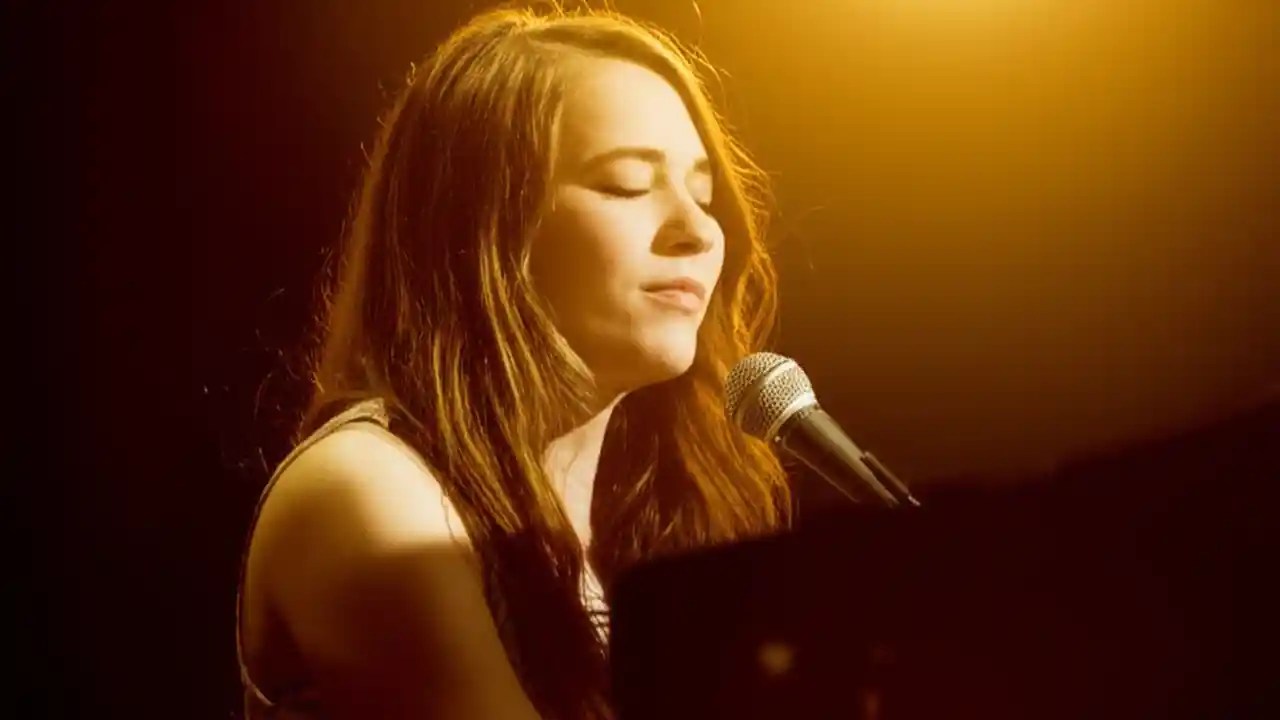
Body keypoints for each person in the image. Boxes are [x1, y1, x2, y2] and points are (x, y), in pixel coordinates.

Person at [235, 5, 792, 719]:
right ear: (487, 225)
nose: (697, 230)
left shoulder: (645, 530)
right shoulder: (367, 489)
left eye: (704, 193)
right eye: (625, 183)